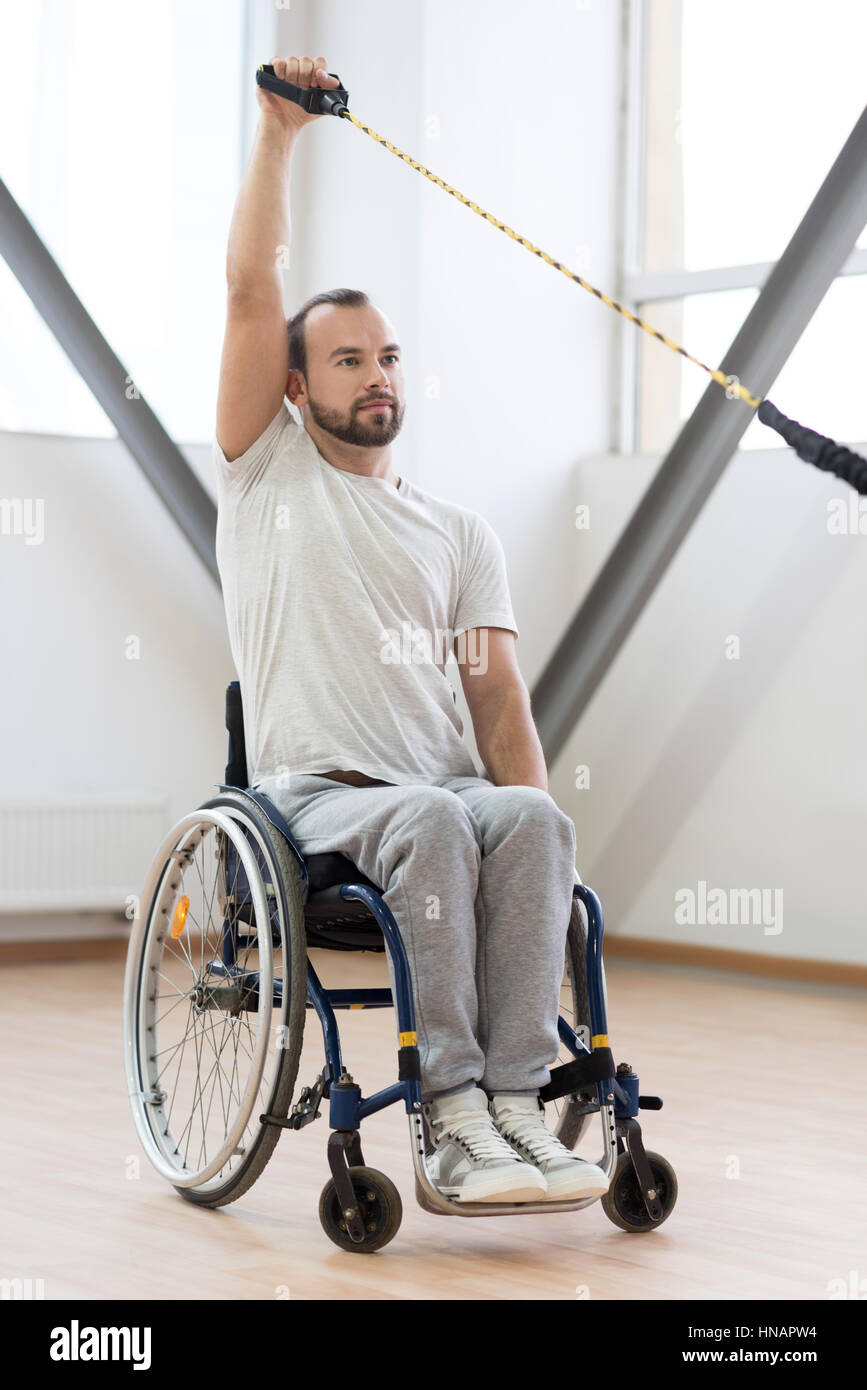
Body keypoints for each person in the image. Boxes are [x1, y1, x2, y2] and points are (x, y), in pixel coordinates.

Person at [213, 54, 608, 1206]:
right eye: (347, 359)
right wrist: (280, 136)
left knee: (526, 812)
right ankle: (447, 1120)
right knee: (438, 813)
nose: (377, 374)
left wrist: (532, 822)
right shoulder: (266, 473)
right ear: (296, 388)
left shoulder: (460, 531)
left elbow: (498, 711)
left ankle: (522, 1107)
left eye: (387, 357)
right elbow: (250, 290)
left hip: (435, 797)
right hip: (317, 793)